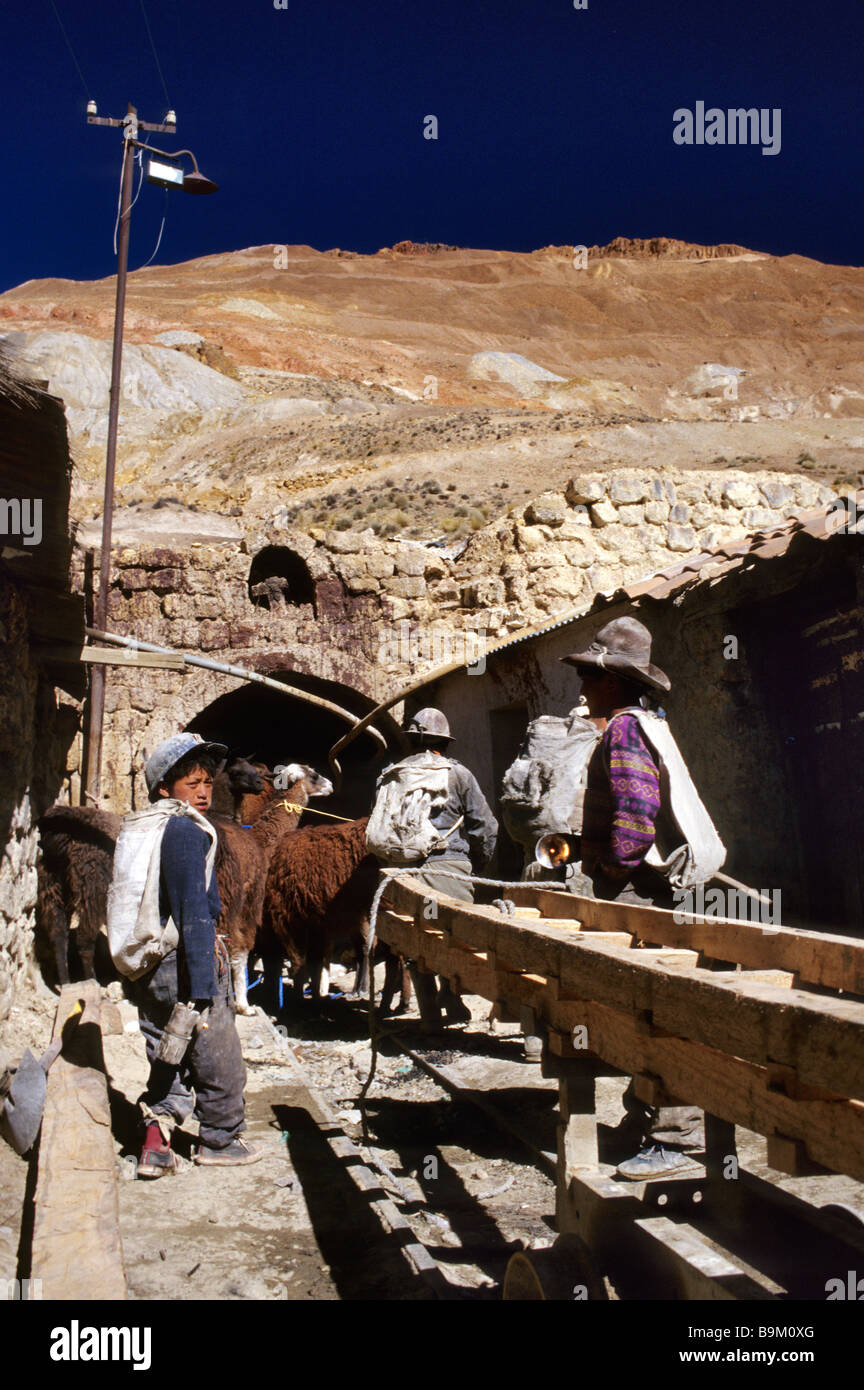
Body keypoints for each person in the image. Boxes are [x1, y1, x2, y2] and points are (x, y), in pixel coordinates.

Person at [561, 618, 705, 1180]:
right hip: (647, 887)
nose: (583, 691)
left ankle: (675, 1137)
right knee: (642, 1009)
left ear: (615, 683)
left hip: (639, 891)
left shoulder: (624, 730)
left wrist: (609, 869)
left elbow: (636, 814)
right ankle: (645, 1116)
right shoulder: (648, 723)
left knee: (658, 1012)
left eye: (590, 679)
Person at [125, 732, 262, 1177]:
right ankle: (220, 1141)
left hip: (150, 966)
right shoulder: (186, 831)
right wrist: (205, 984)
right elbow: (193, 910)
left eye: (206, 782)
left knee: (166, 1049)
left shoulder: (143, 828)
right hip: (186, 961)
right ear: (165, 788)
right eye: (191, 784)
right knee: (216, 1053)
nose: (203, 792)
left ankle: (155, 1144)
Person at [386, 708, 497, 1027]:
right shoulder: (459, 775)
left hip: (404, 873)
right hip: (450, 867)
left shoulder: (393, 775)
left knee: (414, 938)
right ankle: (451, 992)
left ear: (410, 741)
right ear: (444, 743)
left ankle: (429, 1012)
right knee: (453, 935)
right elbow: (485, 827)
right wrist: (475, 865)